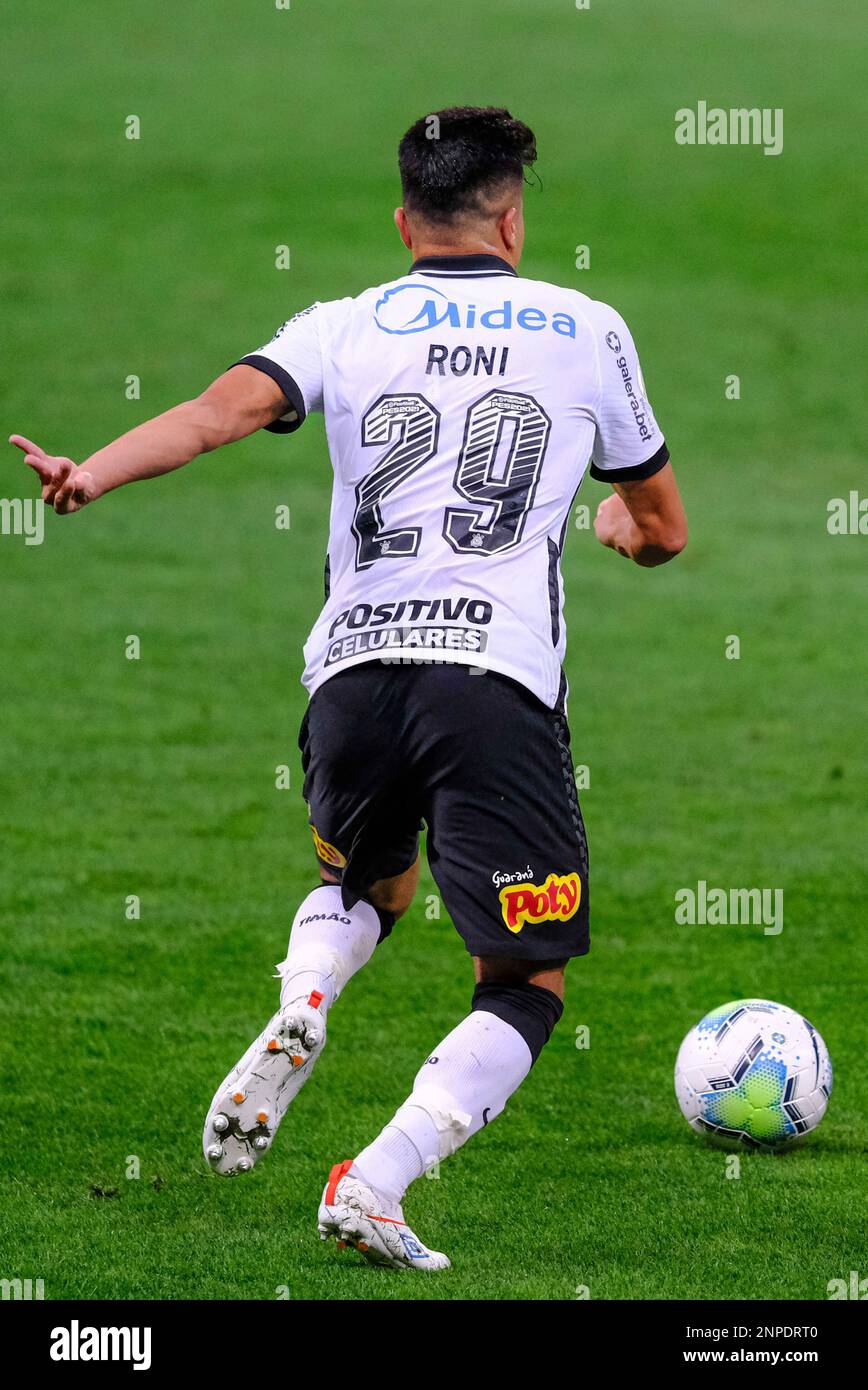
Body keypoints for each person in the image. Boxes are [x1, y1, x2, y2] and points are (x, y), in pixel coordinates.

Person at [11, 106, 687, 1271]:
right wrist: (620, 530)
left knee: (371, 887)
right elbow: (663, 524)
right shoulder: (587, 327)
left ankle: (308, 989)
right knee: (524, 979)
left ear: (402, 219)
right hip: (493, 686)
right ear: (512, 215)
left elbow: (217, 416)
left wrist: (90, 474)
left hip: (353, 676)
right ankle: (374, 1178)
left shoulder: (342, 323)